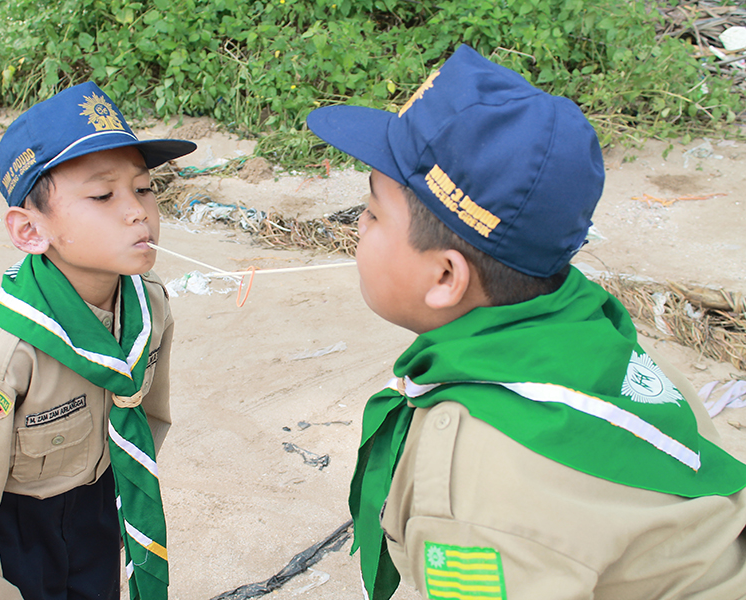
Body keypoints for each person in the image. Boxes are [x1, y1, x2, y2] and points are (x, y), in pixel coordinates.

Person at [307, 45, 746, 600]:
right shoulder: (591, 338)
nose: (359, 229)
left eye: (370, 213)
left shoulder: (472, 489)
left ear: (446, 276)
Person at [0, 82, 196, 600]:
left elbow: (149, 416)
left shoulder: (151, 306)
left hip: (100, 501)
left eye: (144, 189)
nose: (137, 211)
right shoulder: (2, 359)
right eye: (102, 195)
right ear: (30, 232)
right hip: (22, 528)